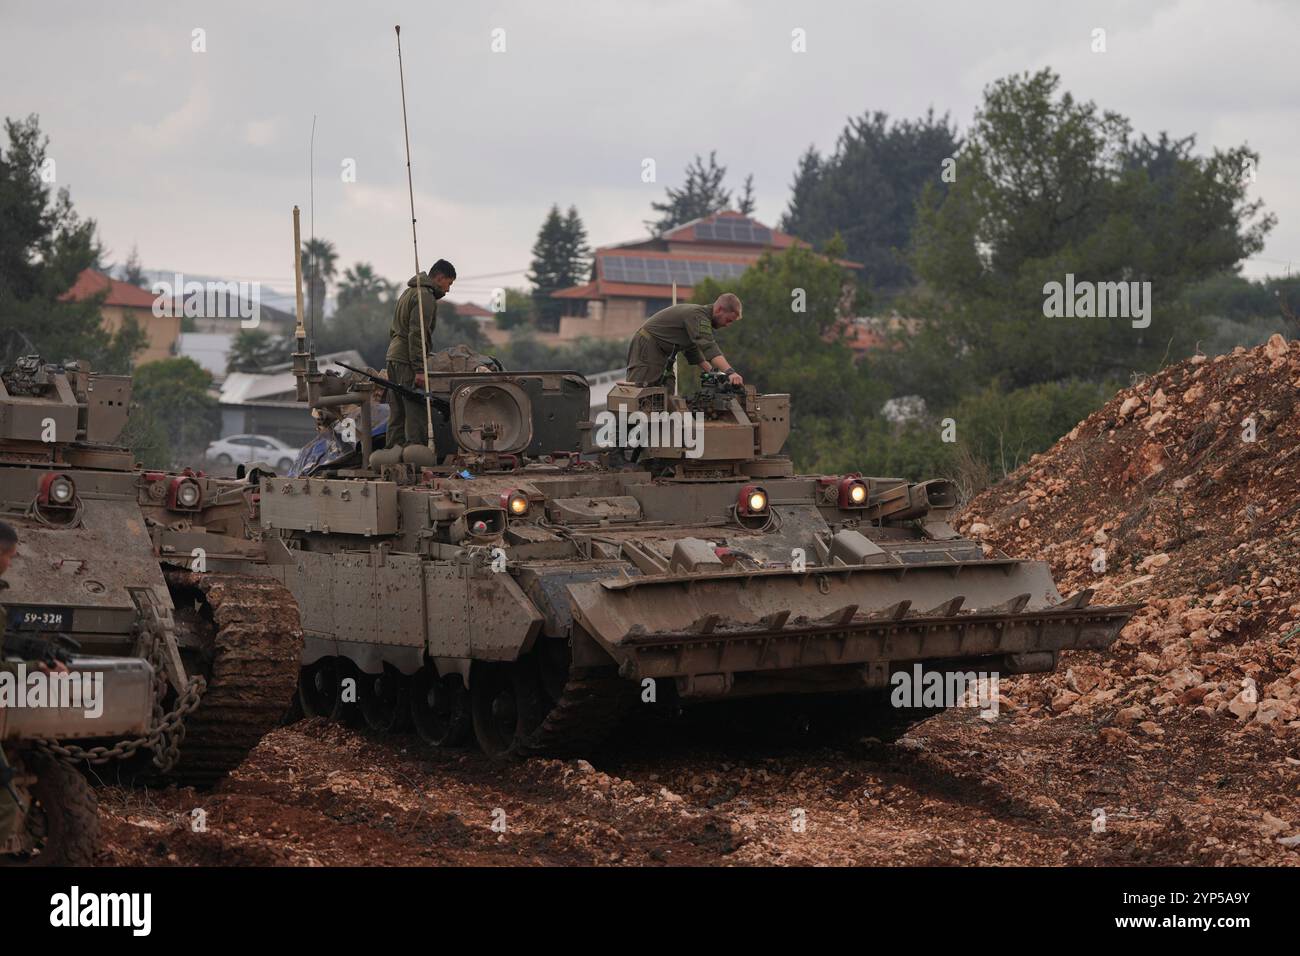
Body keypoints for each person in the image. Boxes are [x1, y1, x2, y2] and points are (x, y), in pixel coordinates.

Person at [385, 259, 456, 448]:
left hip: (394, 356)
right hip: (408, 360)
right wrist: (418, 369)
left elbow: (395, 329)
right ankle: (414, 456)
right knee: (415, 409)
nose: (448, 290)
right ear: (439, 277)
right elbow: (417, 333)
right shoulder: (425, 296)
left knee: (397, 412)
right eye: (448, 283)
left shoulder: (408, 292)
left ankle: (393, 456)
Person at [625, 293, 745, 391]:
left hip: (661, 353)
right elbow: (709, 347)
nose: (728, 325)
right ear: (719, 309)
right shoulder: (698, 316)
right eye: (728, 320)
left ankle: (664, 420)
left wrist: (714, 374)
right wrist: (730, 373)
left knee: (667, 390)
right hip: (648, 347)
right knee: (643, 392)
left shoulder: (700, 318)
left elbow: (692, 351)